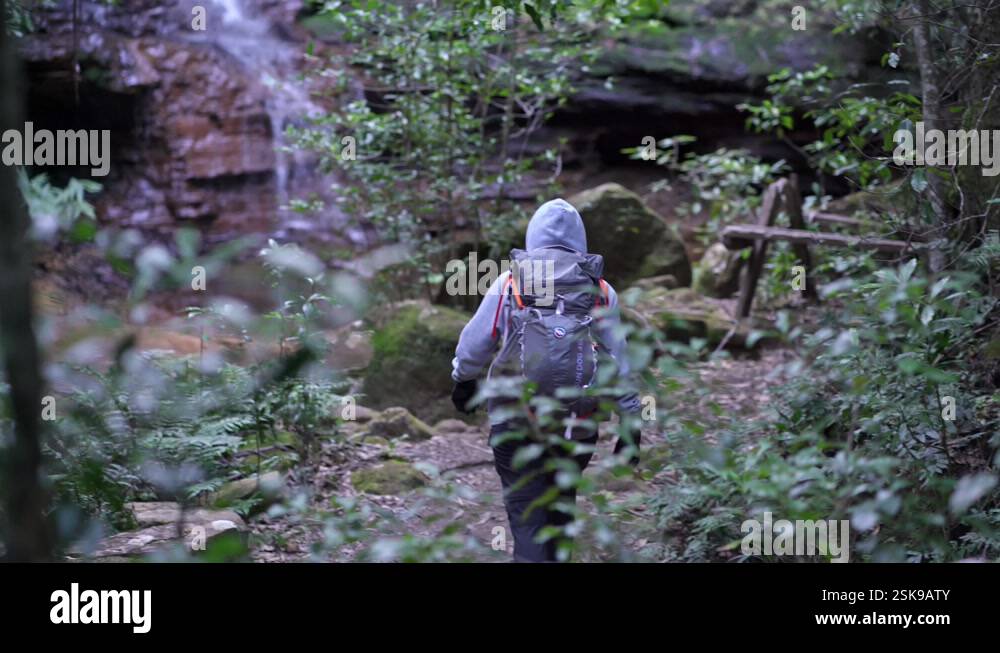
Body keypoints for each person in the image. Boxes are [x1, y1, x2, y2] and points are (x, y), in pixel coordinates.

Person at [450, 198, 641, 562]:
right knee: (560, 507)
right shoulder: (600, 291)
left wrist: (463, 380)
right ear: (580, 241)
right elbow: (620, 360)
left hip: (515, 422)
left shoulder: (510, 283)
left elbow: (475, 344)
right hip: (576, 427)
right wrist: (630, 423)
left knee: (527, 516)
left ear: (533, 236)